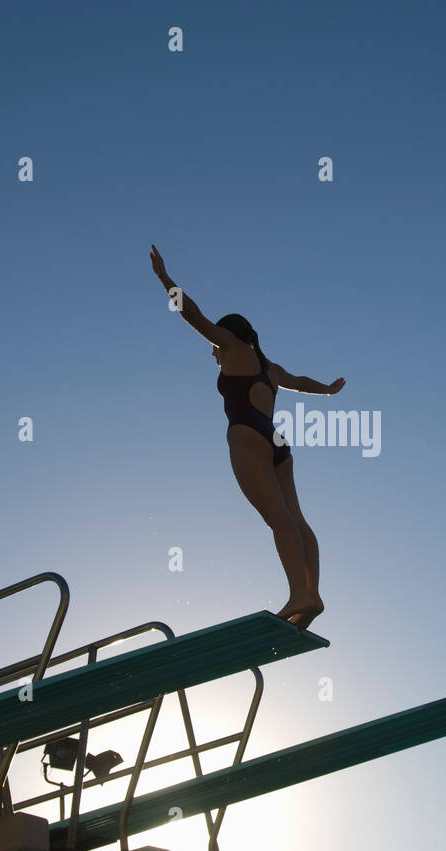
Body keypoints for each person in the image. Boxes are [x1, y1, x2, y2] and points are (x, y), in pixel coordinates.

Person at [150, 244, 343, 629]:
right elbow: (299, 382)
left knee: (277, 518)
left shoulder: (233, 348)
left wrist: (165, 280)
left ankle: (298, 595)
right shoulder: (269, 368)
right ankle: (313, 593)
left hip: (248, 437)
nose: (215, 355)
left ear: (229, 335)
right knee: (296, 517)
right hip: (277, 442)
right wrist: (328, 390)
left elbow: (194, 316)